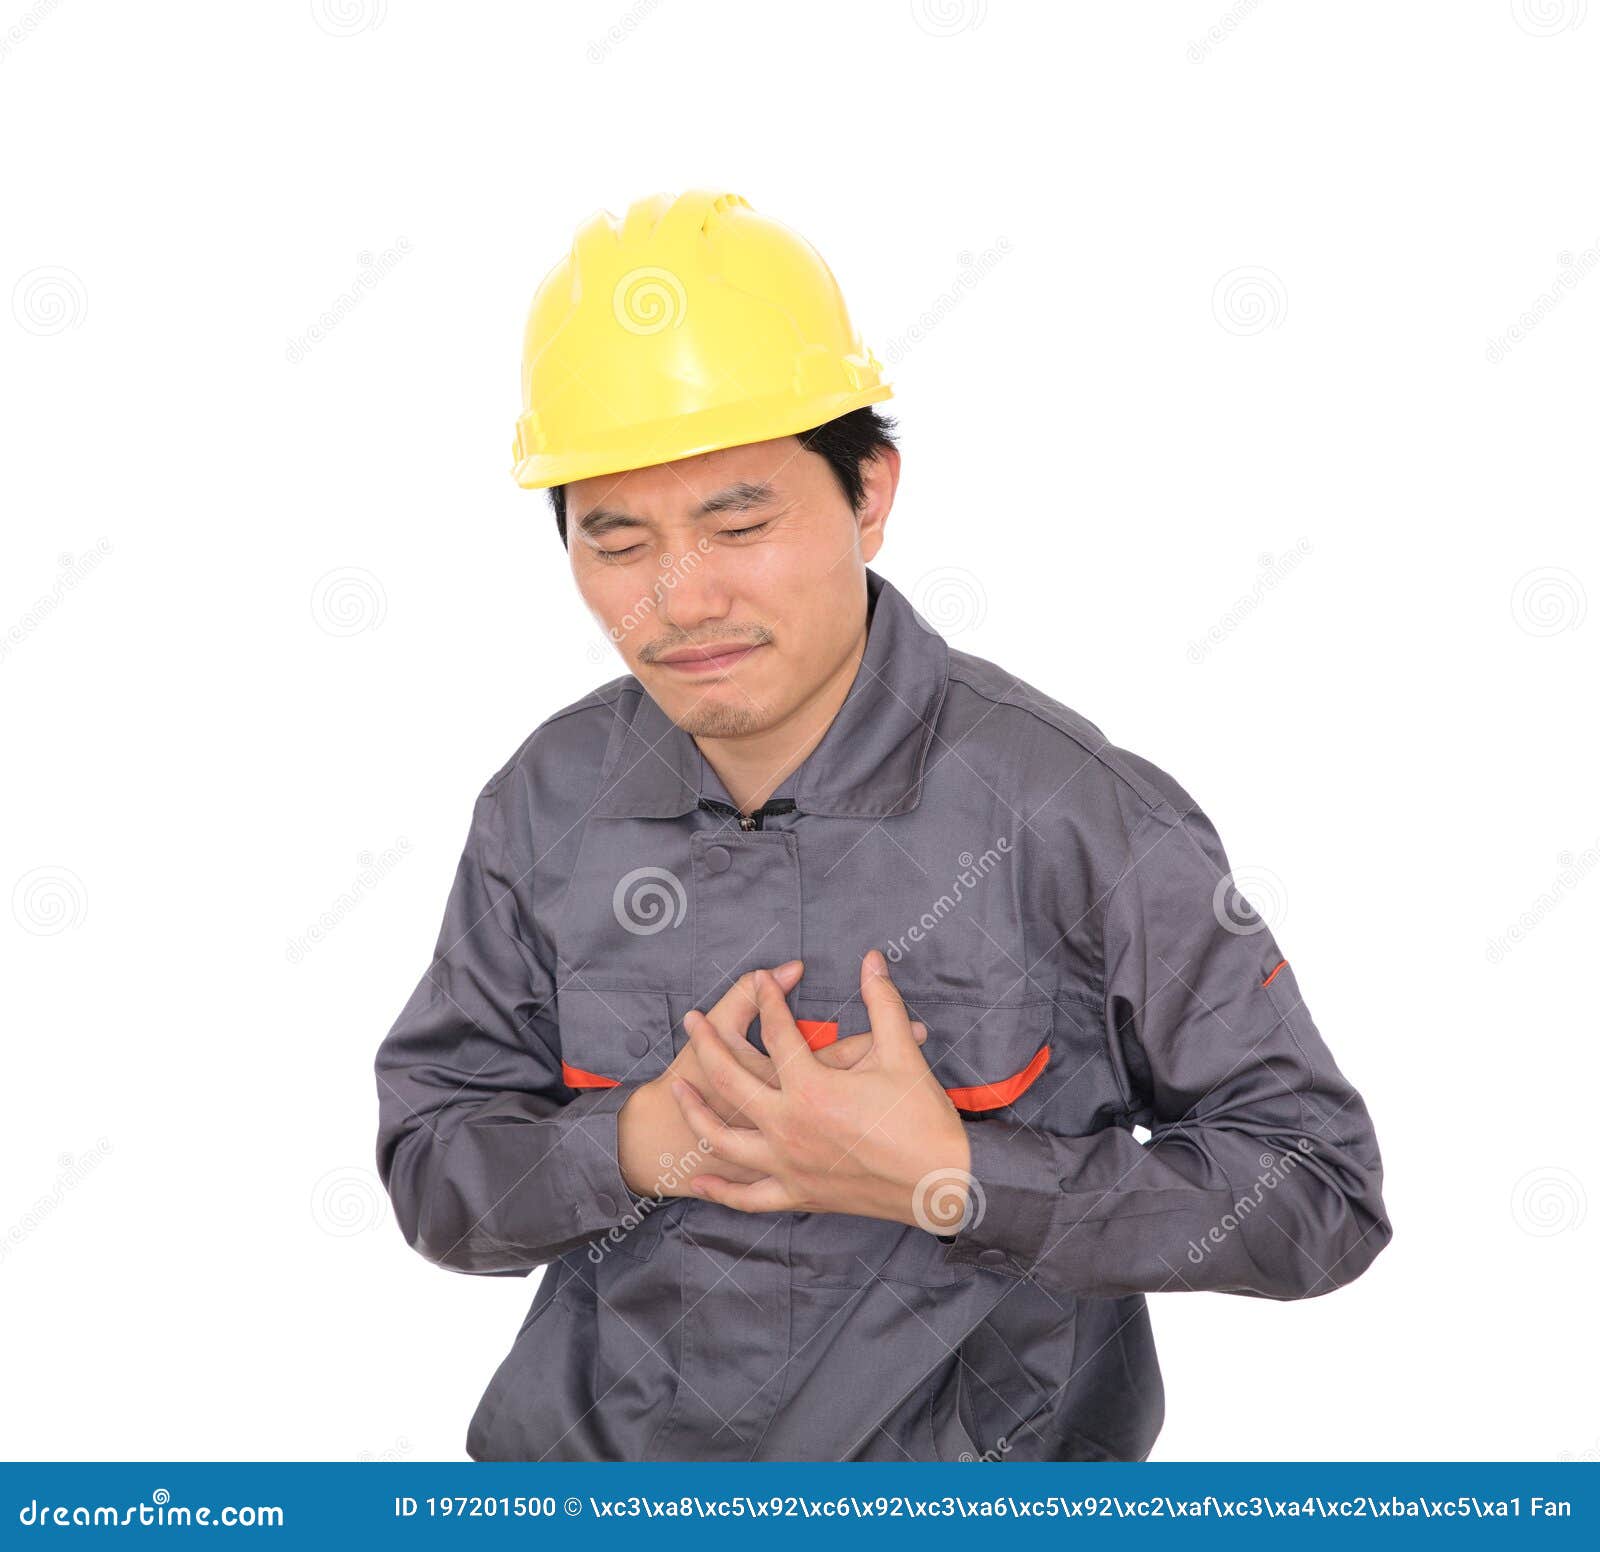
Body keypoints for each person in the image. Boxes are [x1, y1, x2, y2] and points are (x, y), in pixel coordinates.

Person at [373, 189, 1391, 1462]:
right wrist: (637, 1142)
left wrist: (957, 1176)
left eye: (739, 520)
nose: (684, 596)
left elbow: (1319, 1193)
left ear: (869, 492)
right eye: (618, 538)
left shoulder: (1074, 813)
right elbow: (432, 1165)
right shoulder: (547, 802)